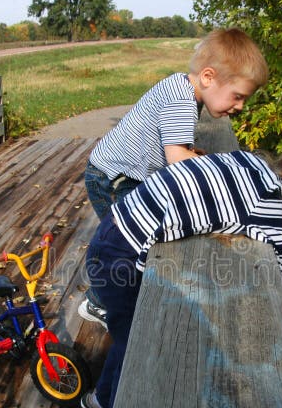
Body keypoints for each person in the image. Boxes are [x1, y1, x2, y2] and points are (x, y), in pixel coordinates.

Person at [78, 146, 282, 408]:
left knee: (128, 337)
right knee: (139, 347)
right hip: (122, 256)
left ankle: (101, 399)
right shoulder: (271, 205)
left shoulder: (253, 163)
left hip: (114, 233)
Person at [78, 27, 269, 328]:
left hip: (121, 173)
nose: (240, 106)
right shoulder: (181, 100)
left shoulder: (181, 88)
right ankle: (98, 302)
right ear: (208, 77)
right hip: (112, 179)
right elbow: (178, 160)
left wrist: (194, 152)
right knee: (130, 239)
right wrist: (224, 169)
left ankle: (116, 294)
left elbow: (176, 146)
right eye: (237, 96)